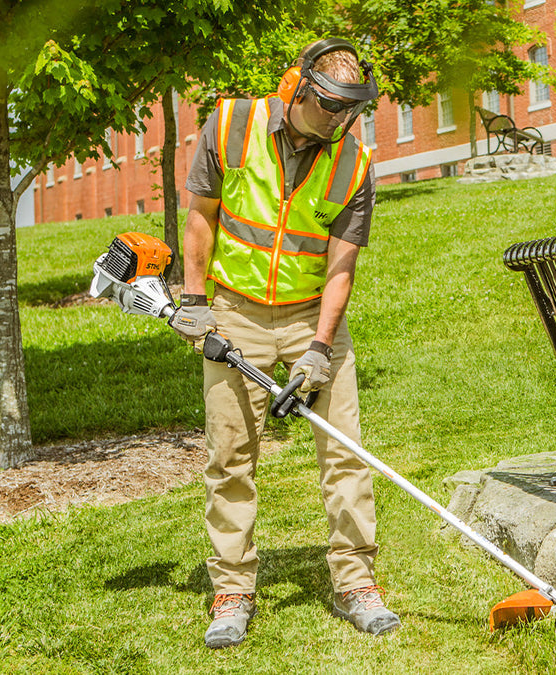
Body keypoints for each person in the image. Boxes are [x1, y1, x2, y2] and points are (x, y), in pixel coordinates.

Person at [169, 37, 398, 649]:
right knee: (230, 455)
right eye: (331, 107)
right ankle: (233, 589)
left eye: (353, 110)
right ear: (296, 86)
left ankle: (356, 581)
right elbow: (200, 217)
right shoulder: (231, 124)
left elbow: (341, 265)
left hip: (310, 316)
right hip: (235, 311)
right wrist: (195, 305)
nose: (342, 121)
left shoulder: (354, 162)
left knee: (345, 449)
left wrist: (321, 347)